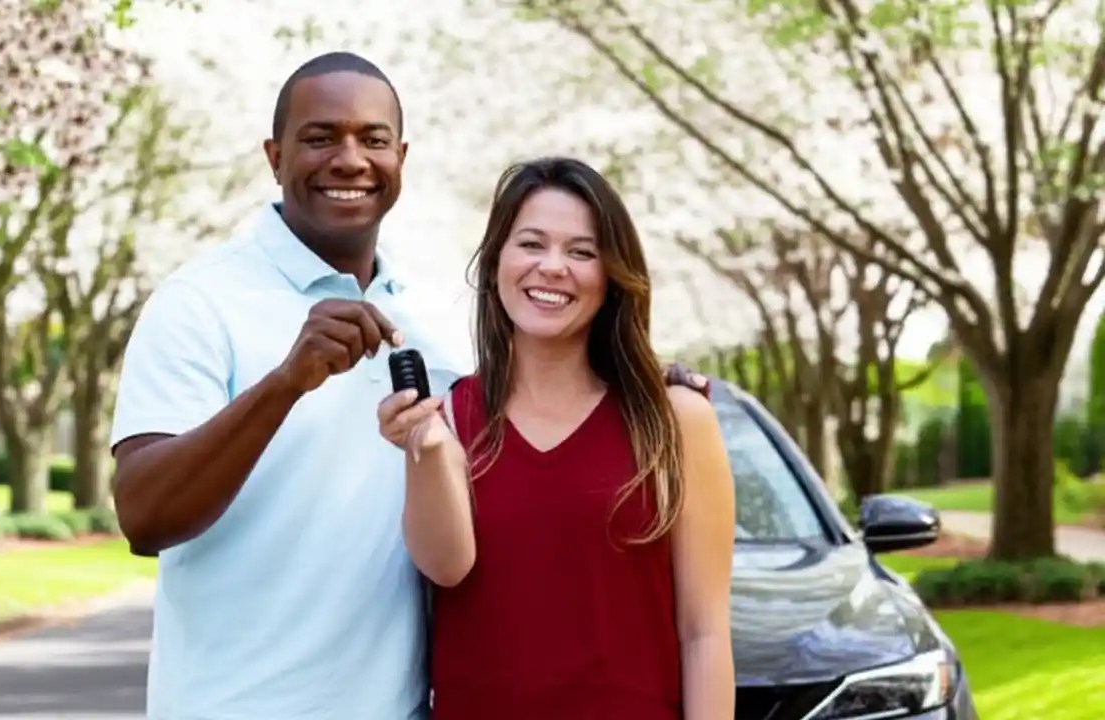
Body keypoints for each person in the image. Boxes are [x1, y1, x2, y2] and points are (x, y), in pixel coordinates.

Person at [109, 50, 712, 719]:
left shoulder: (439, 321)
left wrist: (648, 381)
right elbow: (144, 517)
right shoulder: (199, 303)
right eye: (319, 138)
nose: (349, 160)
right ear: (273, 156)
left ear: (401, 157)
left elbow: (552, 381)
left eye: (372, 140)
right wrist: (285, 382)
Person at [378, 157, 737, 719]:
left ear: (612, 275)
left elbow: (704, 631)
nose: (552, 268)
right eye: (531, 244)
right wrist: (425, 446)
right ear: (497, 260)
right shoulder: (447, 417)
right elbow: (445, 567)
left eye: (581, 252)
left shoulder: (676, 418)